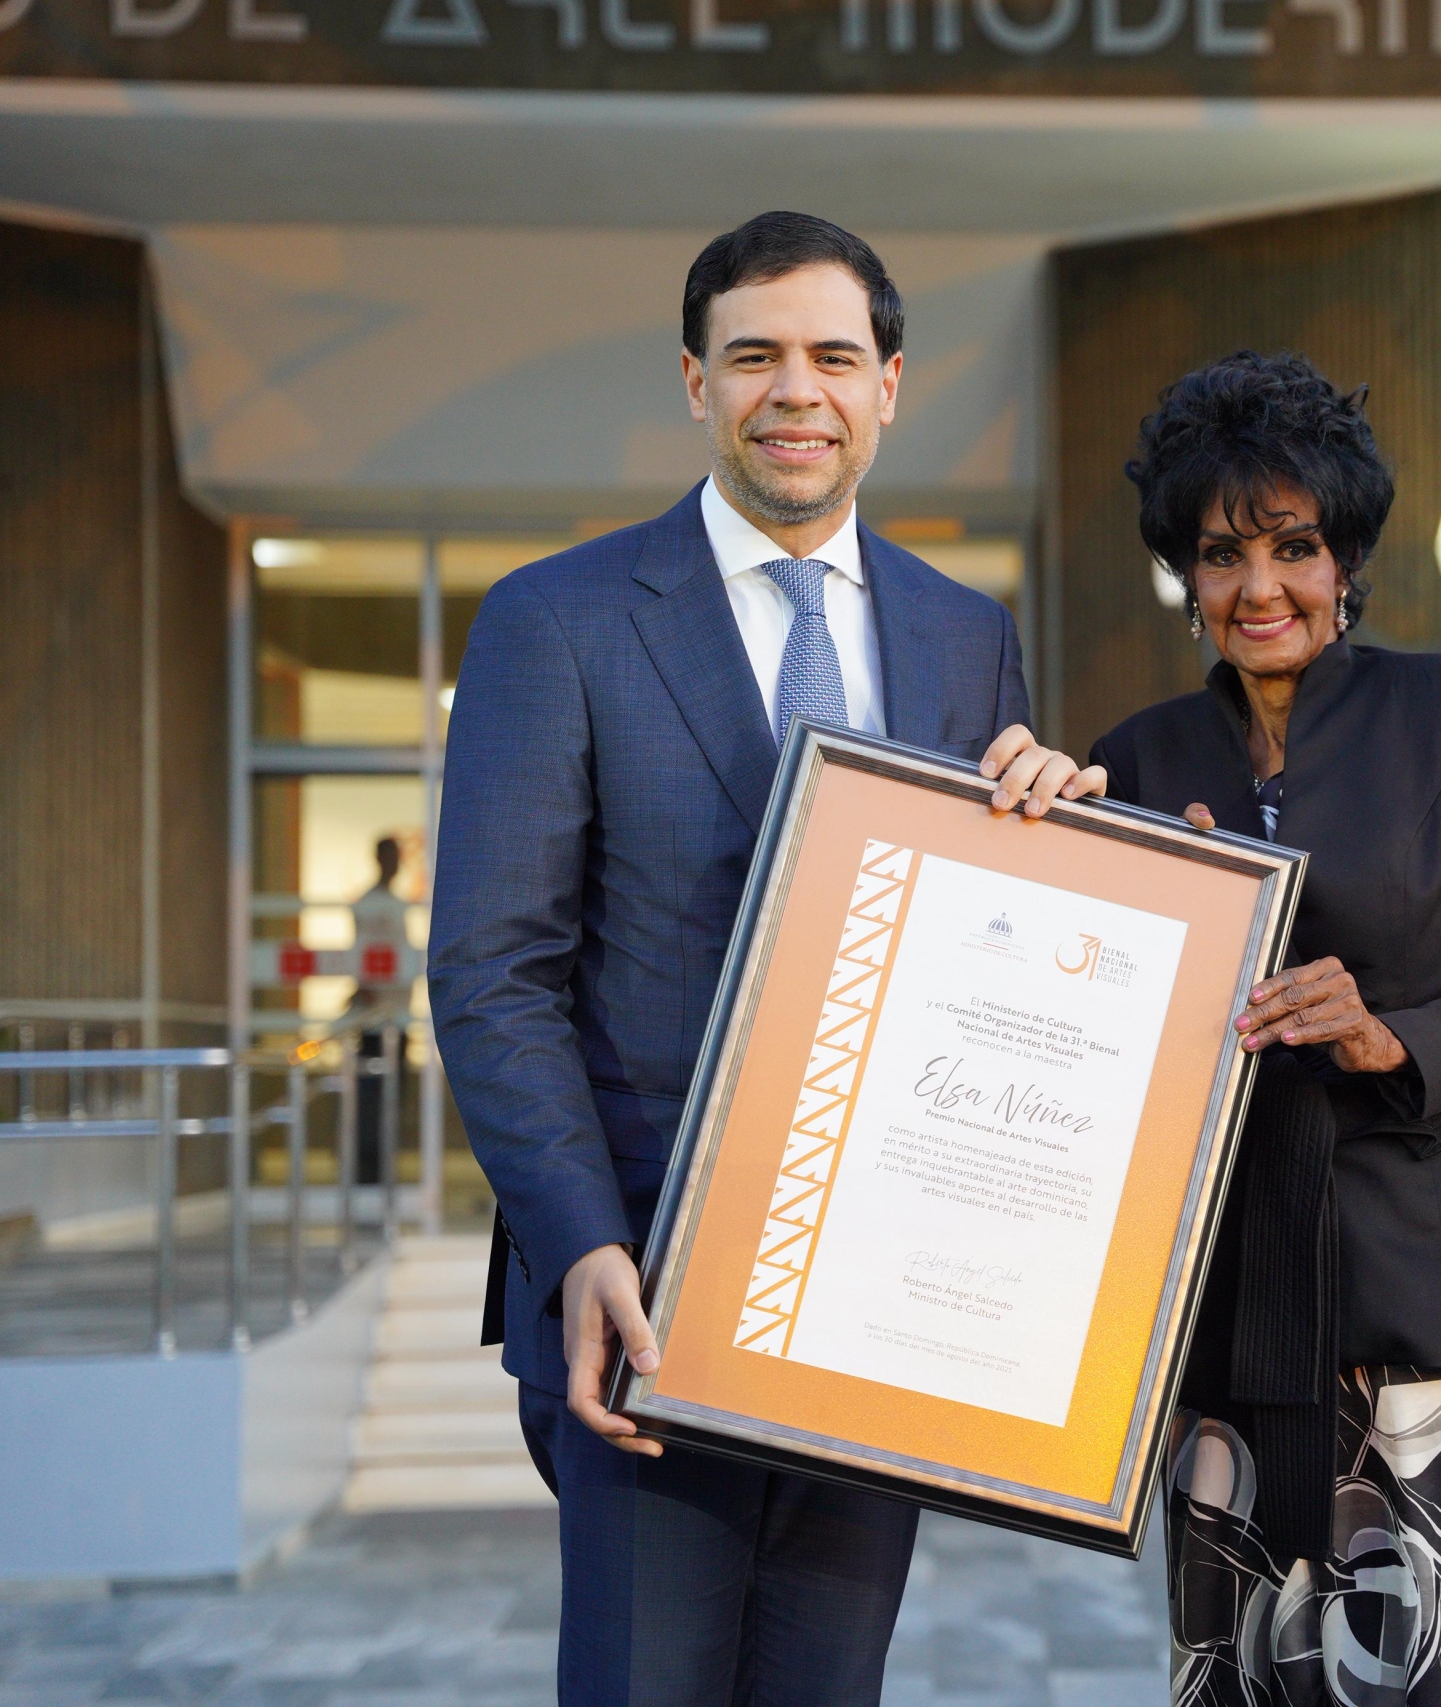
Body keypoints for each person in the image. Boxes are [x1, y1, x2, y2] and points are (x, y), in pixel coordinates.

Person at [428, 212, 1102, 1707]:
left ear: (888, 387)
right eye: (755, 355)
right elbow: (494, 973)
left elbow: (975, 946)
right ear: (695, 382)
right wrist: (581, 1242)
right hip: (646, 1307)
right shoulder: (558, 621)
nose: (795, 388)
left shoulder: (963, 632)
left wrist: (1058, 843)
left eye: (832, 356)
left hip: (881, 1322)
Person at [1087, 351, 1441, 1707]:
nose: (1259, 585)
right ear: (1183, 576)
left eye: (1293, 545)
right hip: (1228, 1313)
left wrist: (1399, 1038)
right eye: (1220, 553)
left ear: (1347, 555)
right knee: (1245, 1679)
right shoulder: (1136, 760)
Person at [346, 834, 412, 1187]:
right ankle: (368, 1172)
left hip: (397, 1017)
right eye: (391, 856)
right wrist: (367, 990)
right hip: (376, 1022)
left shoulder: (395, 905)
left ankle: (380, 1171)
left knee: (389, 1099)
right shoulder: (370, 905)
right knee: (372, 1099)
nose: (396, 863)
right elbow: (364, 956)